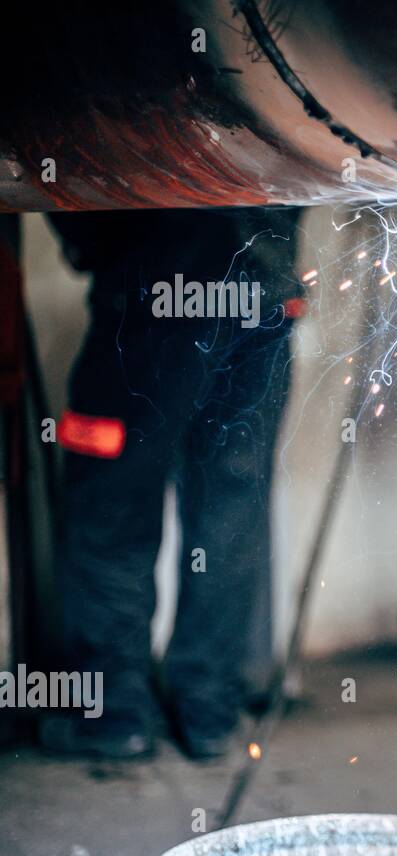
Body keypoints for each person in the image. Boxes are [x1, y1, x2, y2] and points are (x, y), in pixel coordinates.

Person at [39, 207, 303, 760]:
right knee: (230, 512)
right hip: (263, 302)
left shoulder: (133, 114)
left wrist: (100, 253)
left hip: (154, 301)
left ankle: (112, 718)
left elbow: (83, 190)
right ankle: (209, 715)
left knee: (112, 508)